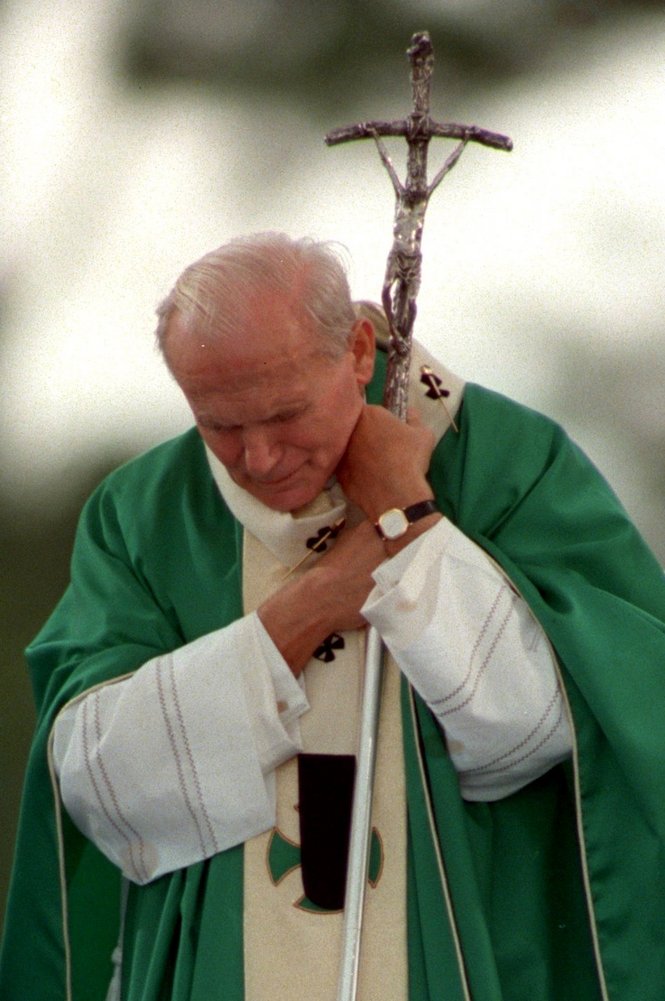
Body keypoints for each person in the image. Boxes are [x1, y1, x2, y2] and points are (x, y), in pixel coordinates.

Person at [2, 232, 665, 1001]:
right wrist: (315, 602)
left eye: (284, 414)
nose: (258, 457)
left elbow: (542, 734)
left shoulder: (503, 466)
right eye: (219, 423)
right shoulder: (145, 518)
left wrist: (407, 524)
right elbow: (101, 784)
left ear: (356, 351)